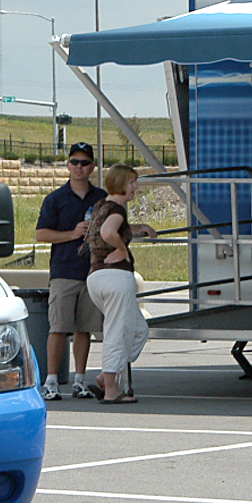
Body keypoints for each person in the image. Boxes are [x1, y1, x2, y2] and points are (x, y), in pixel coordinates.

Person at [34, 142, 106, 400]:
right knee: (58, 328)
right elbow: (41, 233)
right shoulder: (55, 199)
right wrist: (71, 234)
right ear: (67, 165)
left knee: (84, 328)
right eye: (74, 162)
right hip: (64, 271)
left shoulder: (101, 198)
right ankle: (51, 381)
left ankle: (80, 379)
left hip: (92, 272)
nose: (79, 167)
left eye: (85, 163)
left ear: (93, 167)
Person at [83, 165, 158, 404]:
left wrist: (138, 229)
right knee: (117, 331)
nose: (136, 187)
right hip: (115, 277)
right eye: (132, 182)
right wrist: (122, 250)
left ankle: (108, 376)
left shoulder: (102, 206)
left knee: (137, 330)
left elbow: (112, 228)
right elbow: (108, 232)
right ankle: (112, 390)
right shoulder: (116, 210)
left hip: (96, 278)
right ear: (122, 183)